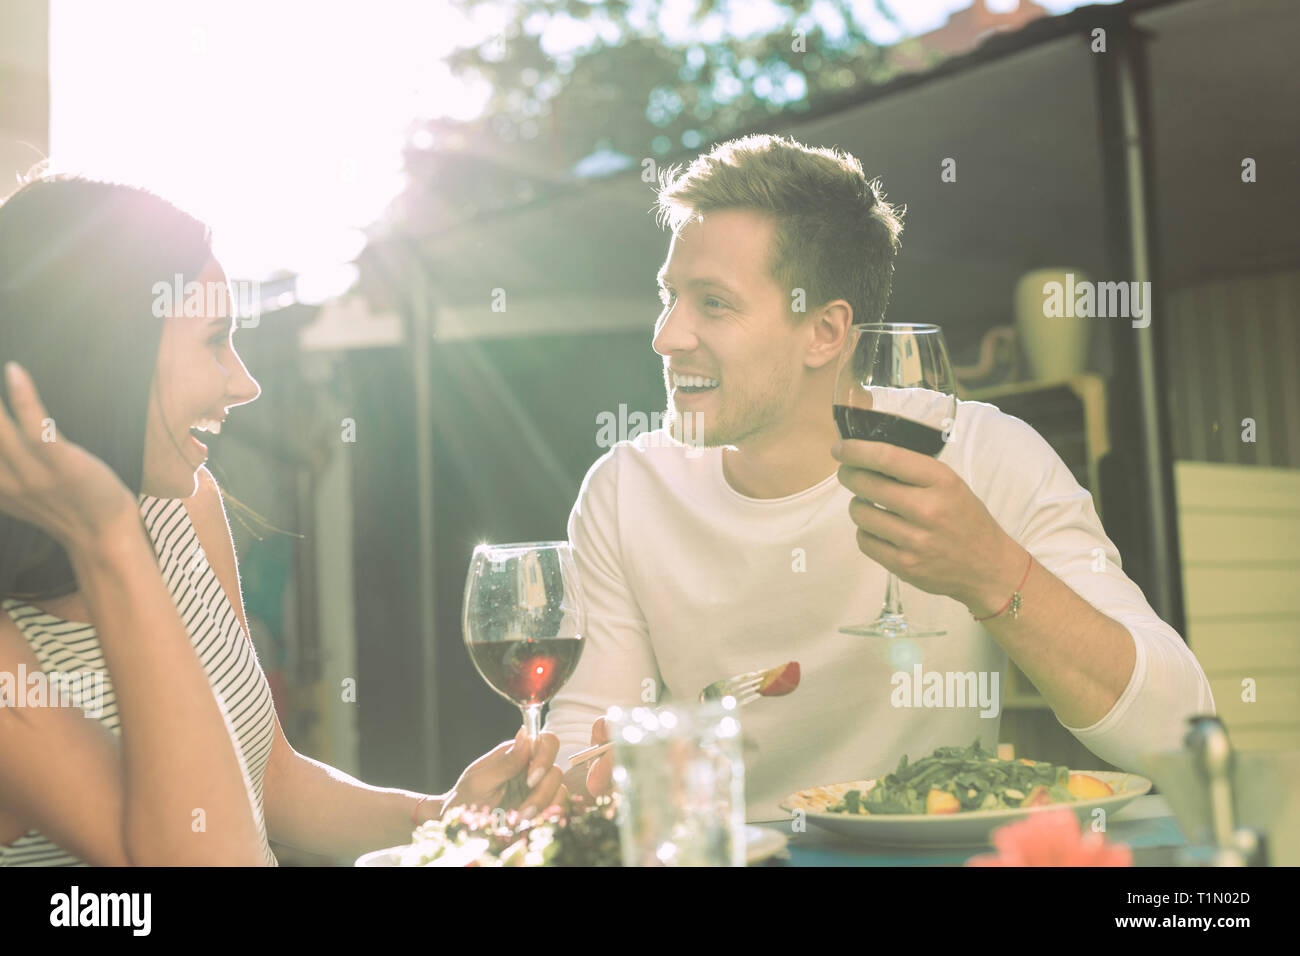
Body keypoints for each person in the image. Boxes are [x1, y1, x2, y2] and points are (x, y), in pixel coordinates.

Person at [548, 134, 1214, 819]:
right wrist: (589, 778)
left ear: (826, 333)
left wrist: (992, 573)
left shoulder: (985, 455)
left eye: (712, 303)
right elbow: (582, 742)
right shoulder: (625, 489)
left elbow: (1180, 729)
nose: (667, 335)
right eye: (670, 296)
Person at [0, 173, 564, 866]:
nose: (246, 382)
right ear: (107, 361)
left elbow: (266, 781)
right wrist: (110, 539)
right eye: (214, 341)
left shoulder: (183, 510)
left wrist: (443, 814)